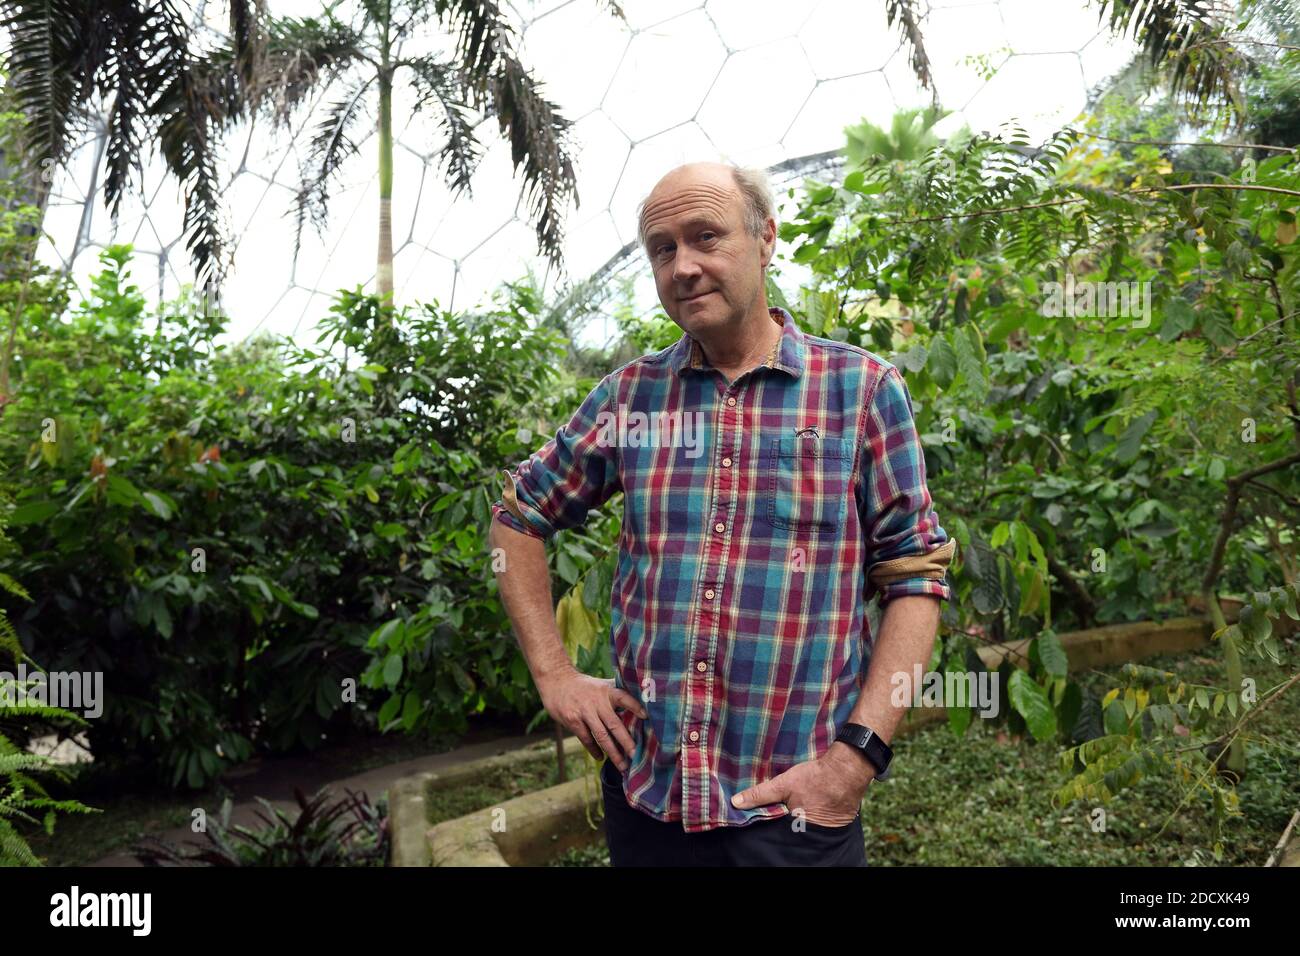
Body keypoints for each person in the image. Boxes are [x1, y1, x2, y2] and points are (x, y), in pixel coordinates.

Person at [488, 160, 954, 866]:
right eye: (663, 248)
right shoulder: (631, 399)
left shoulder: (860, 392)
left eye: (707, 237)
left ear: (765, 238)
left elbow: (916, 578)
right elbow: (518, 517)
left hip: (795, 810)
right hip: (649, 801)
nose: (684, 266)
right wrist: (554, 675)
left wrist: (853, 761)